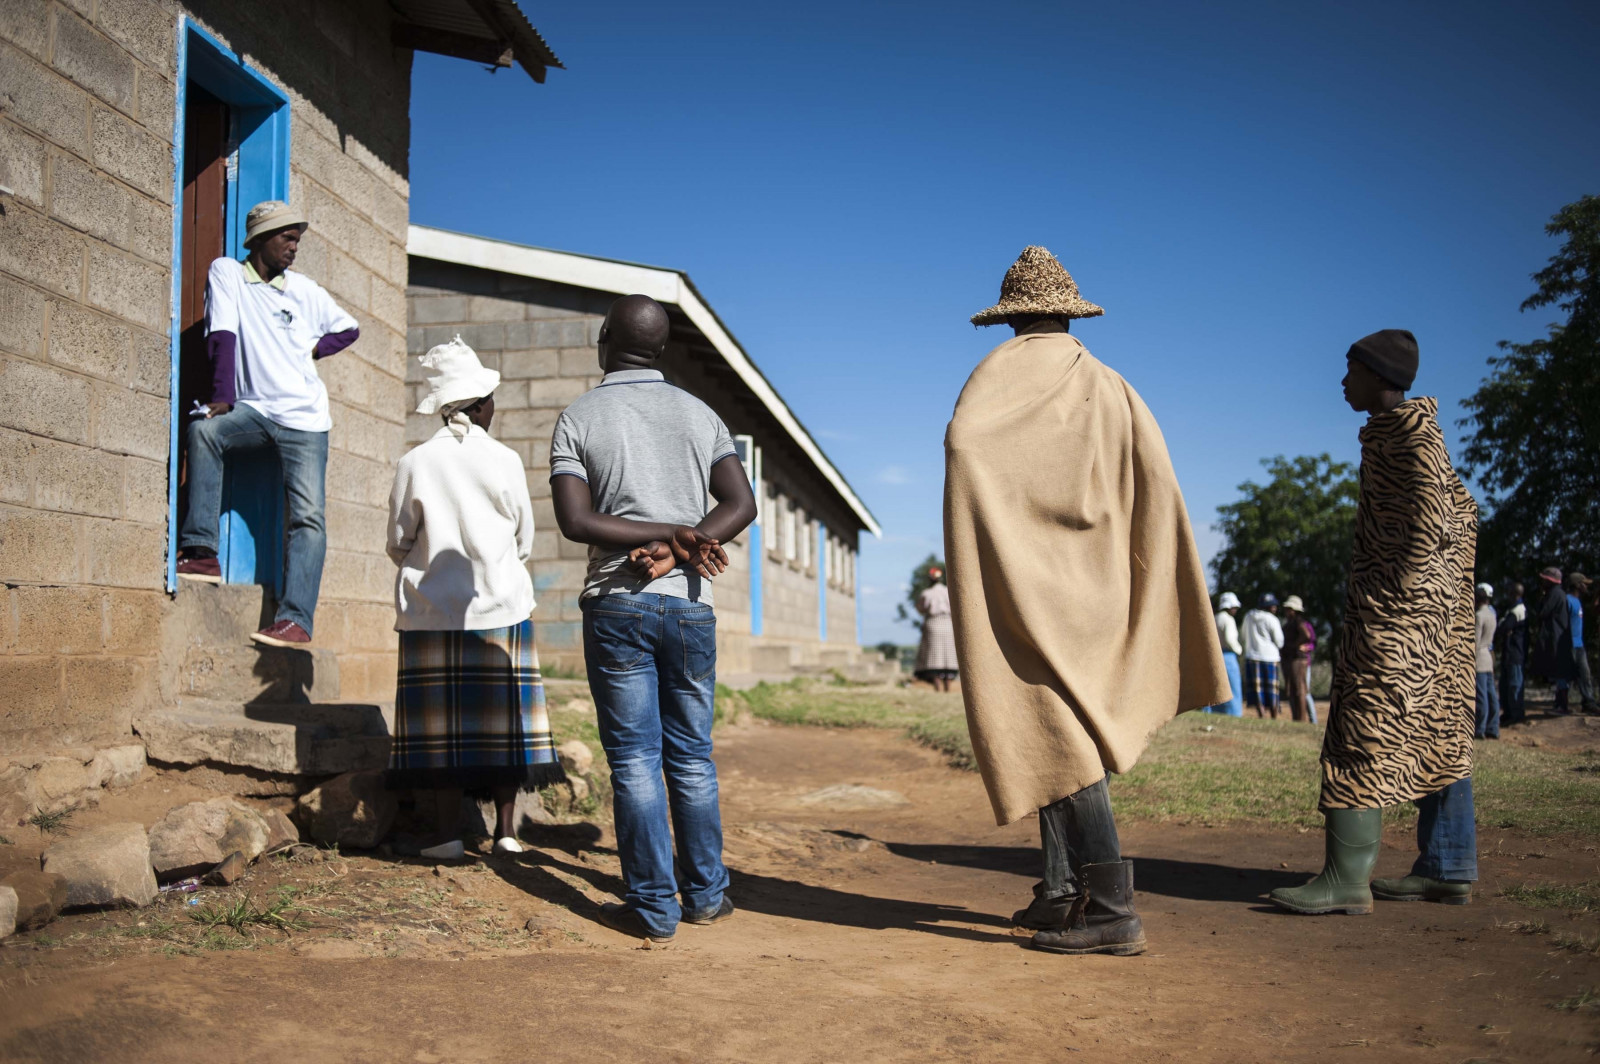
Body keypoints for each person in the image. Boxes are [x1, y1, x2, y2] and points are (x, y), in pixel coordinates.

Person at [945, 246, 1229, 956]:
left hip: (1027, 580)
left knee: (1052, 730)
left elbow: (966, 448)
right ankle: (1061, 889)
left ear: (1012, 316)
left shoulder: (998, 377)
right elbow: (1156, 485)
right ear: (1068, 311)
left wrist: (1011, 532)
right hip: (1099, 588)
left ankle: (1112, 909)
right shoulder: (1113, 385)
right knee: (1054, 729)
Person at [549, 294, 758, 945]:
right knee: (692, 757)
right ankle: (705, 896)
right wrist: (681, 537)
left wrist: (664, 540)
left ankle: (651, 907)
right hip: (690, 608)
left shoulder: (579, 417)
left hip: (618, 604)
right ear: (662, 347)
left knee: (636, 761)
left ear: (606, 338)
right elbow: (741, 502)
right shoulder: (701, 415)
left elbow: (576, 522)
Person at [1271, 329, 1478, 914]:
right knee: (1441, 733)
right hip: (1435, 625)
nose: (1342, 382)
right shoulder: (1409, 435)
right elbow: (1464, 513)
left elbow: (1435, 524)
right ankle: (1447, 866)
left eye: (1351, 371)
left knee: (1362, 730)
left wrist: (1396, 603)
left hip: (1401, 623)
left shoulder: (1409, 441)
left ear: (1379, 377)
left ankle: (1346, 881)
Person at [384, 337, 564, 859]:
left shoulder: (414, 462)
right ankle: (505, 832)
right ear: (481, 404)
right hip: (501, 606)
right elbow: (524, 540)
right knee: (502, 721)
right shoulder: (506, 460)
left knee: (438, 729)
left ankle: (445, 837)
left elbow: (398, 540)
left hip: (429, 612)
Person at [175, 201, 360, 648]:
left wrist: (310, 351)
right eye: (287, 238)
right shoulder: (228, 274)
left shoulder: (304, 290)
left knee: (308, 518)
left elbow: (349, 328)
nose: (294, 248)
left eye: (298, 239)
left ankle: (295, 620)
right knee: (204, 430)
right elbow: (222, 334)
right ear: (259, 240)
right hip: (255, 410)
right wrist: (221, 396)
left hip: (307, 419)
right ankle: (202, 553)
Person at [1531, 566, 1575, 714]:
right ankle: (1559, 704)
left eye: (1544, 580)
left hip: (1557, 638)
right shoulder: (1559, 593)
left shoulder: (1554, 594)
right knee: (1559, 673)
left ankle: (1562, 706)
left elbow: (1543, 612)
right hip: (1558, 637)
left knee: (1560, 673)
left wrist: (1541, 598)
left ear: (1550, 581)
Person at [913, 566, 959, 692]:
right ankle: (948, 688)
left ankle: (937, 687)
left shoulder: (927, 593)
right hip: (948, 624)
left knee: (934, 657)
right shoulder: (948, 591)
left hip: (933, 623)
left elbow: (921, 609)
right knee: (949, 656)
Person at [1241, 594, 1286, 719]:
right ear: (1268, 606)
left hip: (1253, 657)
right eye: (1273, 605)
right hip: (1270, 658)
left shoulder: (1249, 616)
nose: (1275, 608)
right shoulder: (1272, 619)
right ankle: (1273, 716)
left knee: (1257, 689)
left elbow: (1244, 635)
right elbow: (1280, 642)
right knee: (1272, 690)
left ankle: (1261, 714)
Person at [1561, 573, 1597, 714]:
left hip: (1579, 644)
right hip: (1571, 644)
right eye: (1584, 583)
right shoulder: (1567, 600)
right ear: (1577, 585)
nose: (1586, 586)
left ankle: (1588, 703)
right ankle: (1562, 704)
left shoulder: (1577, 601)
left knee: (1585, 674)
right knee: (1569, 676)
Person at [1495, 581, 1528, 725]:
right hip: (1511, 653)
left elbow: (1504, 627)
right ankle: (1508, 713)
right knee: (1506, 684)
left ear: (1514, 594)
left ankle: (1516, 715)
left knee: (1515, 684)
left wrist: (1504, 627)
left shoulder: (1517, 610)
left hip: (1515, 653)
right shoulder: (1514, 609)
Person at [1281, 596, 1317, 724]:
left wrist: (1298, 645)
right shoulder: (1287, 625)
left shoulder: (1300, 623)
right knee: (1294, 690)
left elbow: (1310, 640)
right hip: (1290, 660)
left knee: (1302, 691)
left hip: (1300, 661)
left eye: (1289, 609)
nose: (1286, 611)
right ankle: (1296, 718)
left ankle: (1311, 720)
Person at [1209, 592, 1245, 717]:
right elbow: (1230, 639)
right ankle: (1233, 713)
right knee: (1232, 688)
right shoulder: (1228, 619)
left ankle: (1215, 713)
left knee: (1217, 687)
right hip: (1228, 657)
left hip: (1215, 656)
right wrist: (1239, 650)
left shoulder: (1215, 617)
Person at [1473, 583, 1500, 740]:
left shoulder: (1479, 616)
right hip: (1489, 657)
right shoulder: (1492, 614)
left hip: (1480, 658)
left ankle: (1480, 728)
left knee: (1481, 695)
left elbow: (1475, 642)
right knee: (1491, 695)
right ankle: (1493, 727)